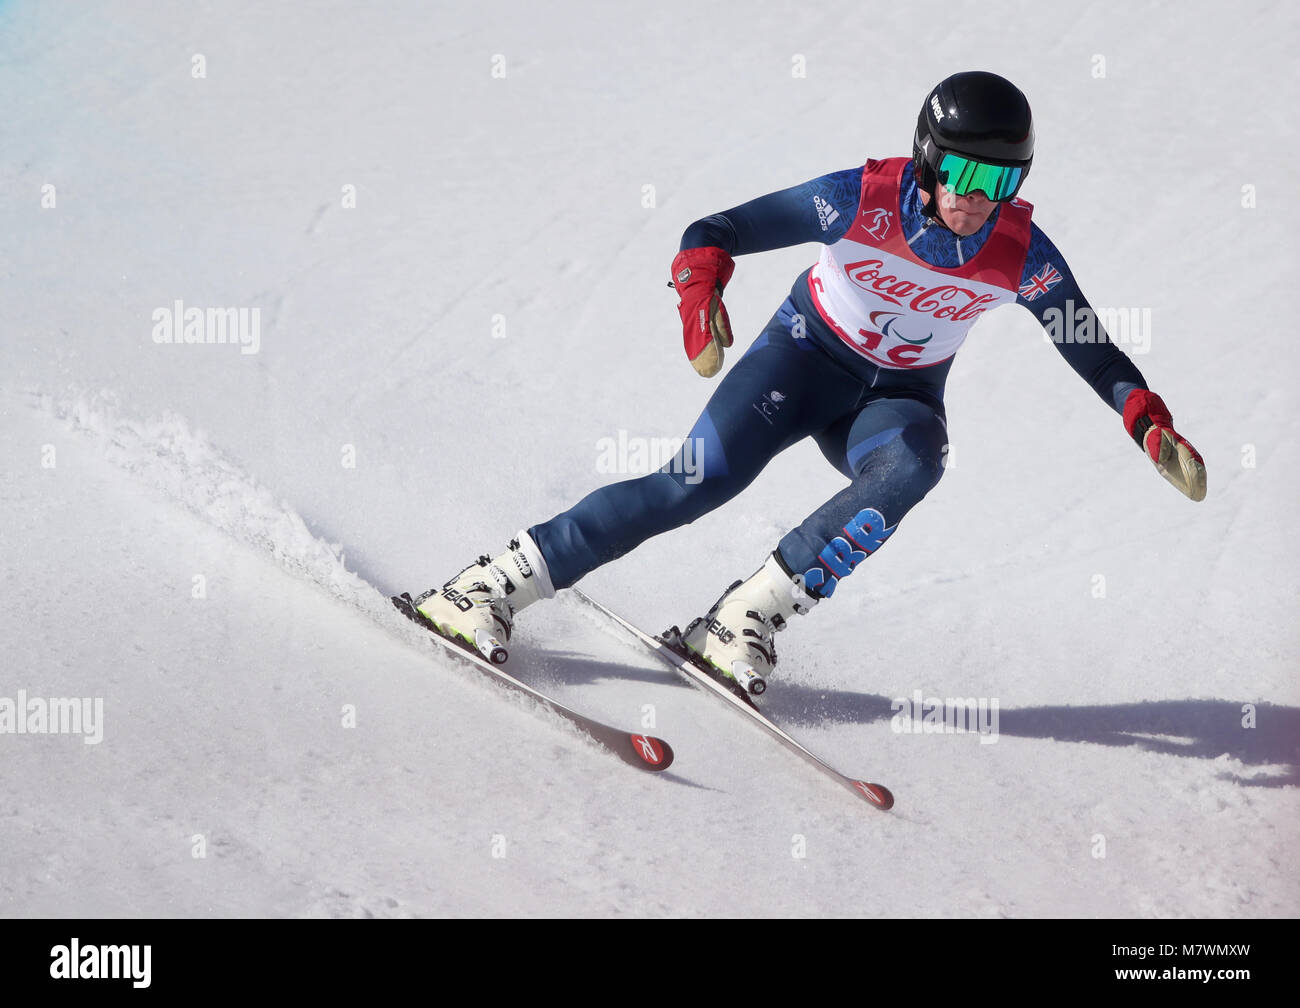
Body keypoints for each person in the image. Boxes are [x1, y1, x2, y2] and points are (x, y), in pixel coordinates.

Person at [408, 70, 1206, 694]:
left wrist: (1144, 417)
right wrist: (700, 292)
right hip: (799, 360)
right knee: (695, 483)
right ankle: (491, 584)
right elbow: (714, 232)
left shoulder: (1021, 251)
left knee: (919, 461)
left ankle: (746, 615)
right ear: (929, 160)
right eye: (962, 172)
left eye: (1000, 181)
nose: (975, 199)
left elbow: (1088, 344)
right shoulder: (861, 199)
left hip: (895, 401)